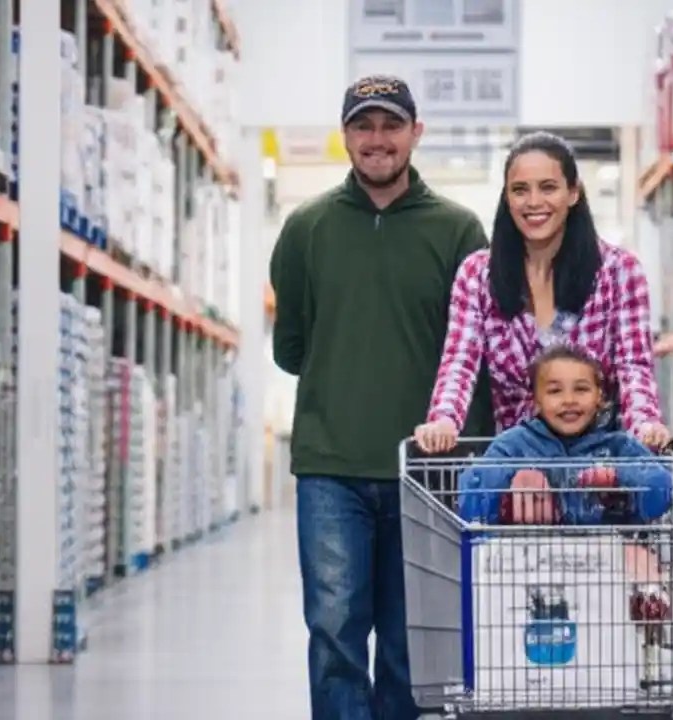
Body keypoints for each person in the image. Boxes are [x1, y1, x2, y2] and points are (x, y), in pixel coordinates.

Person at [269, 74, 493, 720]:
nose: (377, 140)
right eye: (363, 126)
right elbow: (290, 347)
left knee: (409, 645)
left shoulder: (457, 231)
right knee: (335, 635)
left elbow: (473, 348)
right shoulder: (307, 227)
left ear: (415, 133)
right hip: (331, 468)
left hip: (426, 471)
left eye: (391, 125)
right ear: (345, 136)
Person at [414, 131, 672, 455]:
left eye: (548, 187)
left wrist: (645, 424)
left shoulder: (619, 272)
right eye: (520, 190)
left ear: (573, 192)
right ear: (507, 198)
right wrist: (444, 421)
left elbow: (634, 366)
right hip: (518, 469)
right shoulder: (478, 274)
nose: (534, 202)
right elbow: (459, 363)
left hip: (602, 467)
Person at [456, 344, 673, 527]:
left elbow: (661, 491)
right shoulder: (513, 445)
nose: (569, 400)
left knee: (647, 567)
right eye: (555, 391)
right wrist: (511, 479)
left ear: (600, 396)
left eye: (581, 389)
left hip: (606, 558)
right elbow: (470, 502)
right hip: (525, 560)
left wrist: (618, 477)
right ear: (536, 401)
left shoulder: (618, 446)